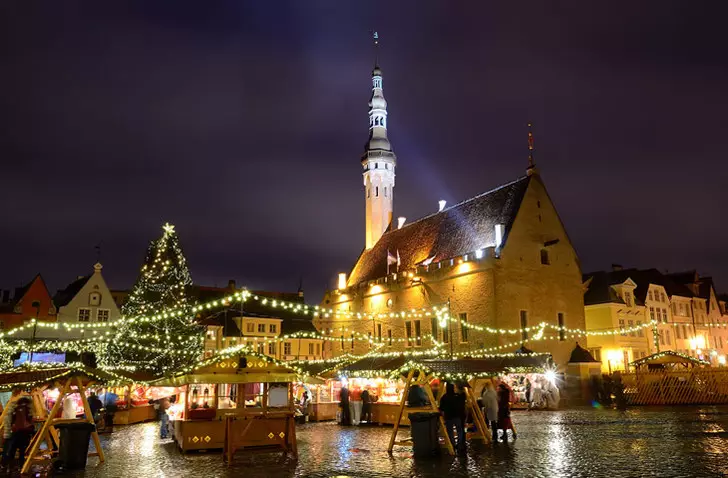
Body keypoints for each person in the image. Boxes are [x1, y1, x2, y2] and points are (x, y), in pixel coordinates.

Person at [2, 396, 35, 472]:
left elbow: (7, 420)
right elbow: (31, 421)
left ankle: (9, 467)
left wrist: (7, 433)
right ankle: (22, 467)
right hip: (25, 433)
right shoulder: (28, 408)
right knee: (22, 451)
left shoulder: (14, 408)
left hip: (15, 433)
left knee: (11, 451)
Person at [439, 383, 466, 452]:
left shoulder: (444, 397)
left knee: (450, 431)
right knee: (459, 430)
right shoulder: (457, 396)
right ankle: (459, 444)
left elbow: (441, 407)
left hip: (448, 416)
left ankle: (453, 443)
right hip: (457, 416)